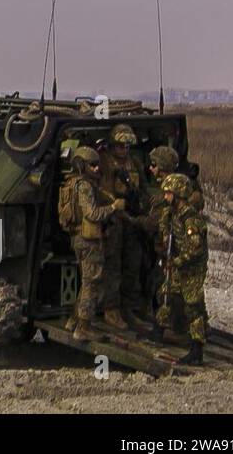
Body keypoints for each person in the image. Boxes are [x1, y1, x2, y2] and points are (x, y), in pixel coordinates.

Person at [64, 146, 127, 341]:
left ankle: (74, 320)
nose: (97, 168)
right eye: (92, 165)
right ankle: (83, 327)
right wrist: (113, 207)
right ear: (81, 165)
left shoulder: (72, 183)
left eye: (97, 164)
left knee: (87, 281)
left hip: (79, 239)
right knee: (92, 283)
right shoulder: (84, 186)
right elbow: (92, 214)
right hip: (88, 240)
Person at [98, 124, 156, 330]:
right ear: (112, 145)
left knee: (133, 264)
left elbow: (143, 189)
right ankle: (111, 309)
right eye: (120, 146)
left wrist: (146, 207)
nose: (124, 150)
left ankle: (130, 308)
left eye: (127, 146)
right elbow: (103, 192)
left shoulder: (134, 163)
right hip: (114, 219)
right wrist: (117, 209)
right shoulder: (105, 163)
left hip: (132, 219)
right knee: (113, 266)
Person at [155, 172, 208, 366]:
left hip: (192, 268)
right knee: (166, 292)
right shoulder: (172, 213)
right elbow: (165, 230)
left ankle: (197, 349)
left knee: (193, 307)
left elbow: (196, 249)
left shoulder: (190, 218)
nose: (165, 197)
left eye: (168, 193)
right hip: (179, 264)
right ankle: (158, 330)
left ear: (178, 194)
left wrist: (177, 262)